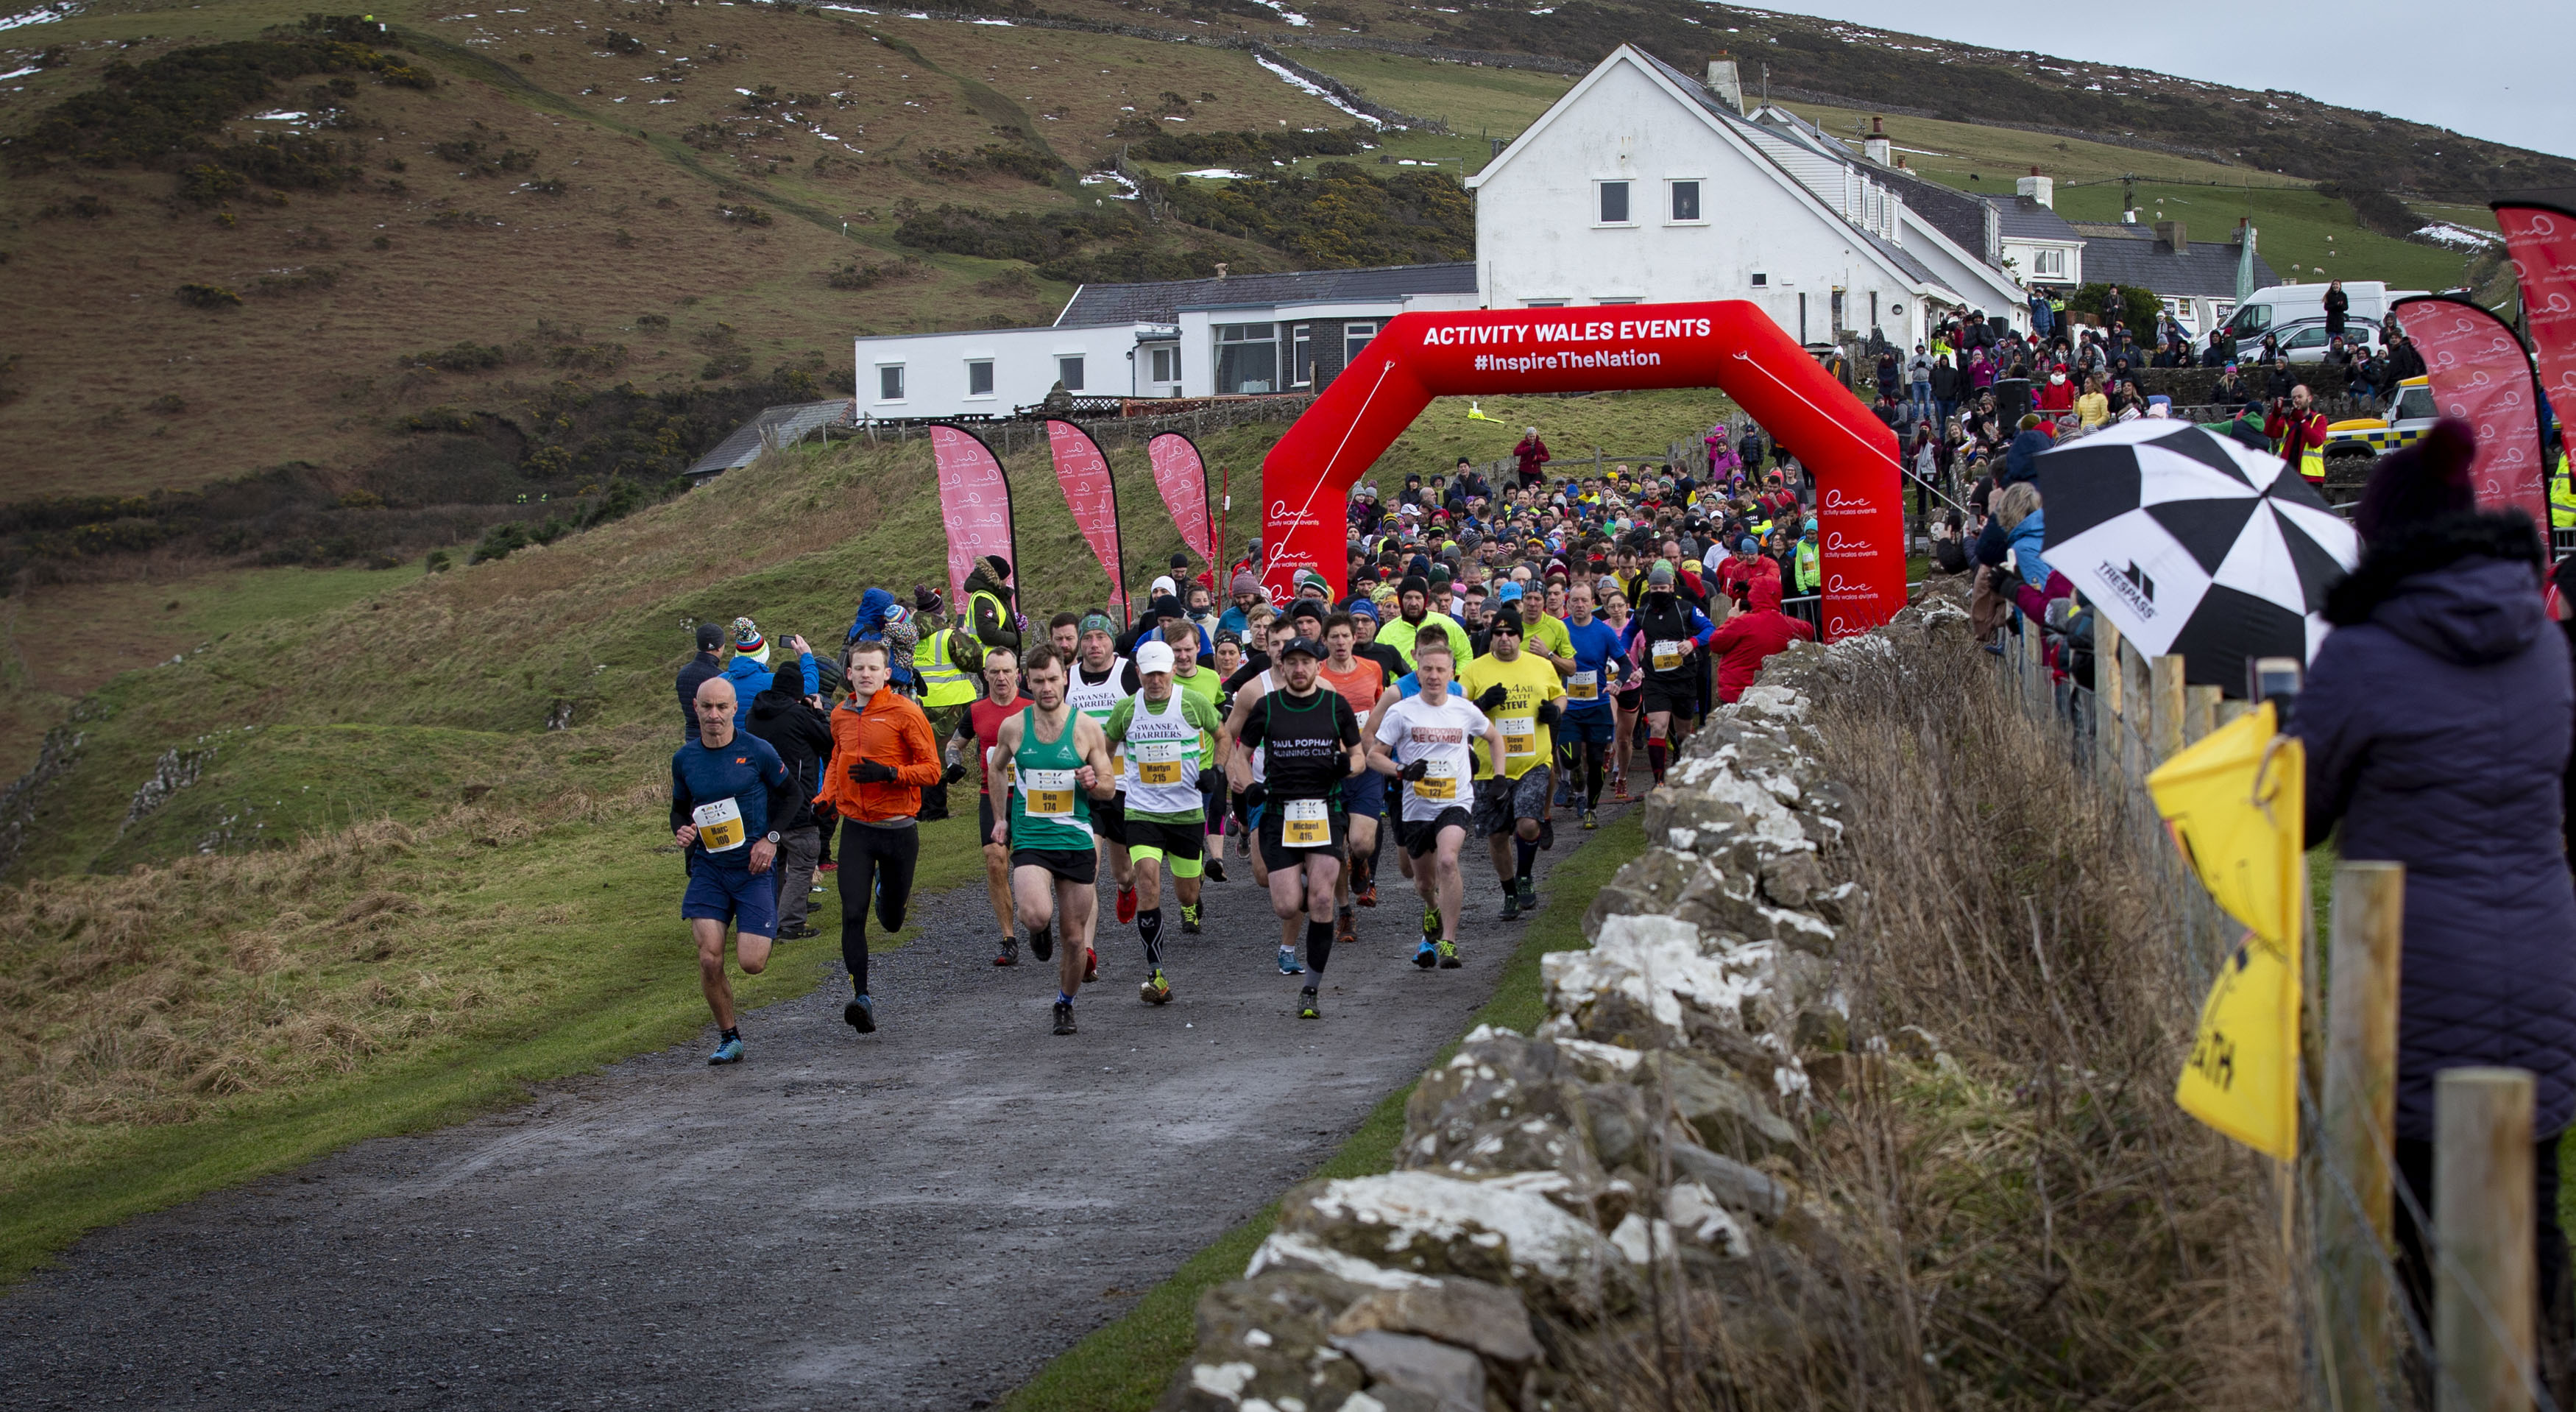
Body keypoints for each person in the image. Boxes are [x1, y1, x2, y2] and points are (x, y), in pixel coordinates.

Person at [2293, 422, 2576, 1374]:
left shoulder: (2364, 656)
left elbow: (2300, 814)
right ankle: (2539, 1367)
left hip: (2415, 982)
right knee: (2528, 1210)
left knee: (2419, 1238)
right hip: (2541, 967)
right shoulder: (2541, 647)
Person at [810, 640, 939, 1037]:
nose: (865, 674)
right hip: (858, 830)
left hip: (899, 829)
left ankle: (889, 893)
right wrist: (826, 796)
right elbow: (838, 757)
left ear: (887, 673)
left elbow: (932, 770)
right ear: (848, 673)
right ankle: (861, 997)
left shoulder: (905, 712)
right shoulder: (840, 715)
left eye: (873, 668)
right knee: (852, 914)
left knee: (893, 923)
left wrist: (889, 775)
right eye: (858, 668)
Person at [990, 645, 1119, 1037]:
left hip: (1075, 838)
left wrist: (1093, 783)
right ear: (1027, 681)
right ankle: (1037, 928)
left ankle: (1065, 1004)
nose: (1047, 687)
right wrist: (999, 819)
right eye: (1039, 680)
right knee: (1035, 914)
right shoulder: (1014, 726)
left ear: (1066, 677)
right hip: (1032, 837)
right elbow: (996, 769)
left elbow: (1110, 788)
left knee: (1075, 936)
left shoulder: (1086, 728)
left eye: (1053, 679)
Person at [1234, 634, 1365, 1018]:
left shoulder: (1335, 705)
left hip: (1325, 809)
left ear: (1318, 666)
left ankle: (1311, 989)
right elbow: (1242, 754)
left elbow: (1358, 757)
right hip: (1279, 813)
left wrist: (1348, 766)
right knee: (1287, 905)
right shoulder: (1267, 707)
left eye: (1306, 661)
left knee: (1323, 901)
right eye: (1292, 662)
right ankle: (1305, 879)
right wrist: (1250, 786)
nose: (1299, 668)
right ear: (1281, 665)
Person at [670, 677, 791, 1065]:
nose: (714, 715)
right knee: (709, 957)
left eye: (722, 707)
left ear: (735, 709)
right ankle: (729, 1037)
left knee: (752, 963)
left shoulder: (758, 751)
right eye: (707, 707)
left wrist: (771, 839)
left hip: (753, 868)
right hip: (709, 868)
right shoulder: (685, 759)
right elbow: (678, 807)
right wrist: (682, 828)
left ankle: (761, 927)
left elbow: (792, 795)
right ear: (696, 709)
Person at [1103, 640, 1225, 1005]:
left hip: (1186, 813)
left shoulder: (1192, 703)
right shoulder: (1126, 710)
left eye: (1161, 672)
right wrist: (1108, 781)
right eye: (1148, 673)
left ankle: (1194, 893)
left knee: (1185, 891)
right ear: (1137, 673)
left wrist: (1215, 770)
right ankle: (1155, 972)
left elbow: (1223, 735)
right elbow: (1105, 749)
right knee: (1148, 879)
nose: (1155, 680)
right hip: (1142, 812)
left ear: (1173, 670)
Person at [1370, 637, 1502, 971]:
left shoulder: (1463, 708)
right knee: (1425, 883)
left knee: (1447, 861)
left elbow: (1494, 738)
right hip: (1417, 806)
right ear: (1418, 669)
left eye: (1441, 669)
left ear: (1451, 673)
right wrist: (1400, 770)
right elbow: (1374, 756)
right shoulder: (1401, 711)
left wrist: (1499, 776)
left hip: (1456, 800)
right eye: (1427, 669)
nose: (1434, 675)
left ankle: (1449, 940)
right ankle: (1431, 907)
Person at [1459, 607, 1568, 922]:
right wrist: (1480, 705)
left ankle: (1524, 876)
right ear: (1491, 637)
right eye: (1498, 633)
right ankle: (1508, 892)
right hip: (1491, 767)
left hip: (1534, 760)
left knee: (1528, 824)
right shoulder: (1474, 670)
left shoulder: (1540, 665)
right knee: (1497, 837)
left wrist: (1555, 712)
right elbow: (1457, 709)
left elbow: (1560, 697)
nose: (1504, 639)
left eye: (1511, 633)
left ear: (1521, 637)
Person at [949, 644, 1033, 965]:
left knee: (1030, 863)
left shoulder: (1032, 704)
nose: (1001, 678)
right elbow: (956, 742)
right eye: (994, 672)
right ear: (984, 675)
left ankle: (1038, 921)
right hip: (992, 795)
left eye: (1007, 671)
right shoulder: (976, 710)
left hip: (1031, 796)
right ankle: (1009, 937)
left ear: (1017, 674)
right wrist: (954, 762)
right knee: (996, 859)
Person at [744, 657, 834, 941]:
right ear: (798, 693)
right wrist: (817, 712)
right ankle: (791, 922)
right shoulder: (798, 715)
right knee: (804, 857)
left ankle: (774, 916)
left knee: (778, 859)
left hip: (764, 801)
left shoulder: (753, 714)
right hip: (798, 799)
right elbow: (828, 741)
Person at [1066, 613, 1143, 927]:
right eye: (1087, 638)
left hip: (1125, 785)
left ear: (1113, 642)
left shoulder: (1128, 674)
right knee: (1089, 868)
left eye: (1101, 638)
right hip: (1085, 786)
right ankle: (1086, 951)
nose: (1094, 644)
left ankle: (1127, 889)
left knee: (1123, 871)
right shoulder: (1068, 678)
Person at [1317, 613, 1390, 943]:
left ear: (1354, 638)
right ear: (1326, 641)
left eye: (1346, 636)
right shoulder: (1316, 675)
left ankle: (1360, 861)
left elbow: (1381, 709)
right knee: (1333, 848)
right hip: (1330, 772)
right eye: (1335, 637)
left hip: (1366, 768)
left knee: (1360, 843)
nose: (1342, 642)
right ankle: (1345, 912)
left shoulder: (1371, 669)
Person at [1619, 563, 1717, 787]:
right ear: (1649, 590)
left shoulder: (1686, 609)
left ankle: (1684, 769)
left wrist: (1692, 643)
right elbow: (1628, 633)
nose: (1659, 593)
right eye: (1654, 589)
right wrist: (1623, 652)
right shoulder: (1643, 612)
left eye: (1663, 588)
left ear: (1672, 587)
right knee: (1658, 726)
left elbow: (1710, 629)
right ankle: (1659, 781)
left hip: (1683, 677)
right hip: (1655, 678)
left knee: (1682, 733)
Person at [1556, 581, 1624, 829]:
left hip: (1598, 706)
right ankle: (1574, 775)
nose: (1580, 605)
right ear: (1568, 603)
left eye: (1585, 600)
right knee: (1571, 757)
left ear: (1593, 603)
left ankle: (1591, 809)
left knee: (1596, 761)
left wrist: (1619, 682)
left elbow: (1624, 663)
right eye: (1575, 600)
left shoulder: (1603, 632)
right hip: (1569, 707)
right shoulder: (1560, 629)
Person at [1706, 579, 1816, 703]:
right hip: (1770, 690)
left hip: (1736, 691)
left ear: (1754, 596)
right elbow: (1808, 630)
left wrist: (1731, 619)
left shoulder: (1743, 622)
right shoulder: (1789, 624)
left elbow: (1716, 643)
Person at [2266, 384, 2331, 488]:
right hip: (2287, 477)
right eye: (2294, 398)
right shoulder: (2289, 419)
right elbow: (2269, 432)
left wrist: (2302, 420)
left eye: (2300, 397)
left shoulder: (2319, 419)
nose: (2297, 400)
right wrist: (2275, 414)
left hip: (2310, 478)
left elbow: (2316, 441)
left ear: (2309, 399)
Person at [678, 621, 726, 741]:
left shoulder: (683, 673)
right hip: (712, 738)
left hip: (690, 738)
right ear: (719, 647)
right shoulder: (719, 677)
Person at [1512, 426, 1551, 490]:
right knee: (1526, 490)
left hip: (1537, 472)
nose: (1532, 438)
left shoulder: (1540, 444)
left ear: (1536, 435)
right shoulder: (1523, 443)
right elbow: (1516, 452)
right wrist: (1529, 448)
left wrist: (1538, 458)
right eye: (1530, 436)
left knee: (1537, 490)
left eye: (1534, 436)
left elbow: (1547, 457)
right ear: (1527, 436)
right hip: (1524, 472)